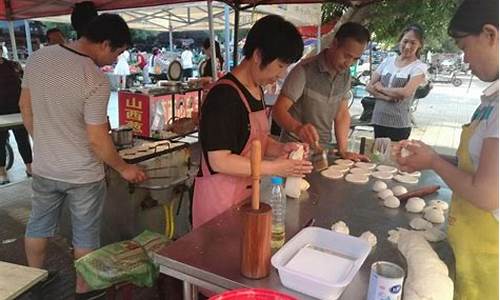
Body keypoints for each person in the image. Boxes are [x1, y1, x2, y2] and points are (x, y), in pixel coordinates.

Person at [19, 14, 147, 299]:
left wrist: (43, 142)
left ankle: (34, 279)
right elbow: (97, 138)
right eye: (117, 52)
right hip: (83, 174)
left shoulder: (38, 58)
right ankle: (83, 287)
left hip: (44, 166)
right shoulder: (94, 78)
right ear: (104, 44)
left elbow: (24, 106)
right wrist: (123, 167)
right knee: (85, 235)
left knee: (38, 225)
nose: (114, 60)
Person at [395, 0, 498, 298]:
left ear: (490, 34)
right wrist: (431, 156)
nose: (464, 59)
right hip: (470, 245)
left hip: (489, 258)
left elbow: (487, 193)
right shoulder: (492, 101)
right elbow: (478, 166)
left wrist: (434, 163)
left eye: (464, 47)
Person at [194, 15, 313, 228]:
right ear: (258, 55)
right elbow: (219, 160)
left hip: (246, 196)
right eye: (280, 65)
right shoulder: (223, 96)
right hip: (218, 203)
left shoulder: (256, 90)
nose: (282, 74)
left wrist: (282, 149)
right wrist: (275, 168)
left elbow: (258, 142)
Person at [272, 22, 370, 161]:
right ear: (335, 44)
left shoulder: (345, 75)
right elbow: (278, 110)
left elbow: (341, 113)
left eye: (355, 59)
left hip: (323, 149)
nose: (349, 63)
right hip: (294, 150)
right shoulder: (304, 70)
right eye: (347, 55)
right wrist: (298, 129)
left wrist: (343, 150)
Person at [365, 25, 428, 141]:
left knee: (395, 158)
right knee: (377, 157)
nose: (408, 46)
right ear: (400, 41)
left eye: (413, 43)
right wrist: (387, 98)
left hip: (399, 124)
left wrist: (381, 88)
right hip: (379, 120)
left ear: (420, 45)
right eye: (405, 41)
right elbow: (369, 86)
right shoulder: (387, 61)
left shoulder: (419, 68)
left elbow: (405, 92)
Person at [0, 45, 32, 185]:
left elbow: (25, 83)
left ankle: (30, 168)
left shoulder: (14, 65)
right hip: (0, 113)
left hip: (17, 109)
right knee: (0, 142)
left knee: (23, 140)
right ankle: (2, 172)